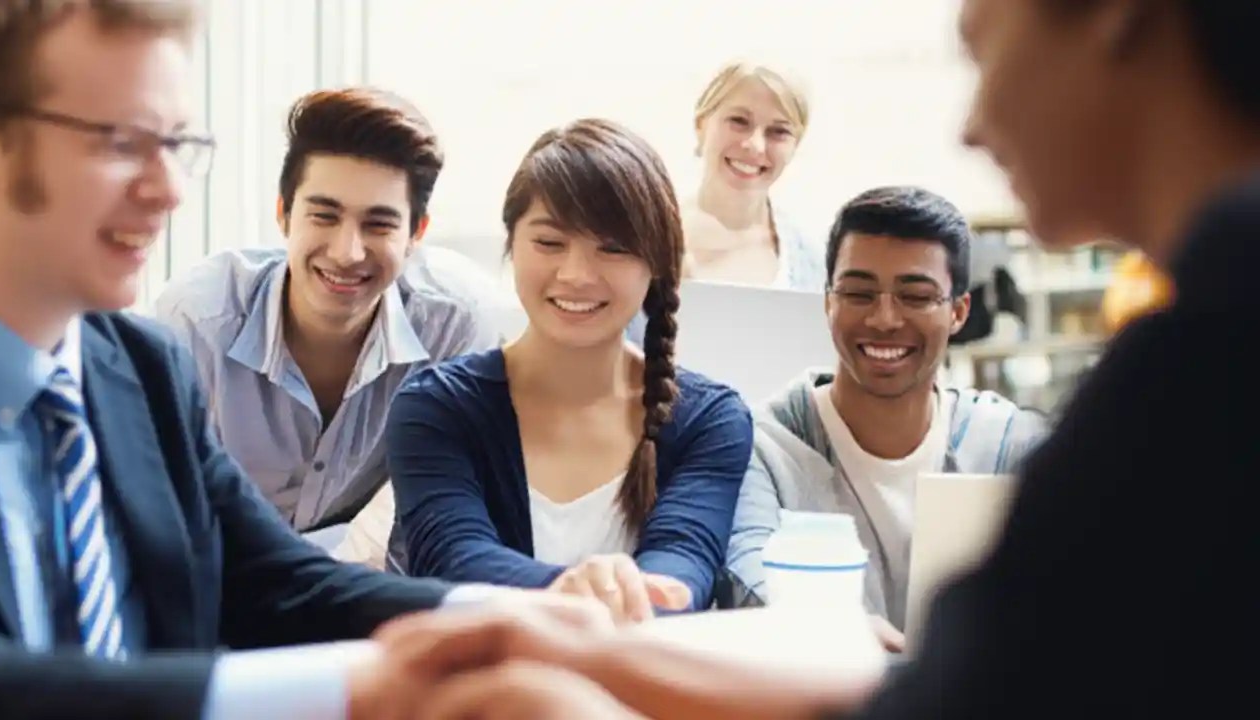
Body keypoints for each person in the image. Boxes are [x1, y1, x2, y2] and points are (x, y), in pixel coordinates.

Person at [349, 0, 1260, 717]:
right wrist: (587, 654)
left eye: (983, 49)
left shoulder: (1198, 361)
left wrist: (585, 672)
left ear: (1120, 14)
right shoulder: (1198, 331)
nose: (973, 128)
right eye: (551, 242)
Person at [0, 3, 593, 718]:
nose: (170, 189)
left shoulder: (142, 371)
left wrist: (500, 616)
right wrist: (351, 689)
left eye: (176, 143)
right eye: (119, 142)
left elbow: (274, 580)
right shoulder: (193, 325)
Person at [384, 118, 754, 623]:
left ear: (658, 263)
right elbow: (453, 556)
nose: (577, 274)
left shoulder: (709, 419)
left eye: (614, 247)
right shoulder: (435, 407)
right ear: (511, 245)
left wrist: (597, 601)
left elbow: (684, 566)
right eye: (550, 243)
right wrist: (572, 590)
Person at [154, 87, 504, 537]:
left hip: (363, 583)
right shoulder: (197, 321)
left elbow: (432, 510)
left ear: (417, 233)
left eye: (379, 224)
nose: (347, 252)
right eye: (324, 216)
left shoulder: (455, 322)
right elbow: (160, 514)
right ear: (284, 214)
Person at [726, 186, 1048, 636]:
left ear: (958, 311)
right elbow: (750, 577)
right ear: (827, 302)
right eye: (859, 293)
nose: (884, 319)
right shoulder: (760, 446)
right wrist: (835, 632)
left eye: (915, 297)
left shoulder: (1007, 444)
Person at [683, 60, 824, 289]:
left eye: (779, 131)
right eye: (739, 121)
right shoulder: (642, 241)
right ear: (701, 125)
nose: (755, 145)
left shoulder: (813, 261)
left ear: (795, 146)